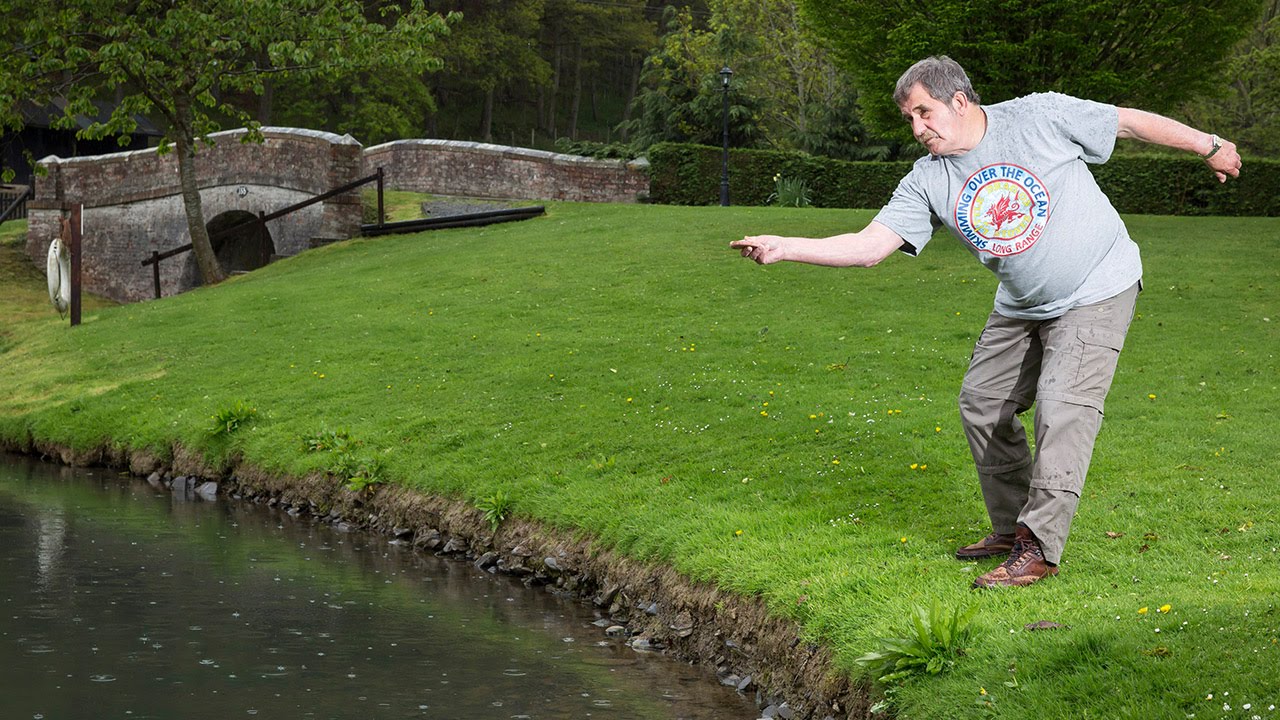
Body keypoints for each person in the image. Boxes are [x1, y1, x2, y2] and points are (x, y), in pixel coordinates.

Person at [729, 55, 1242, 588]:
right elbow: (868, 247)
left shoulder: (1037, 117)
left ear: (959, 101)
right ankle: (1011, 528)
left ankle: (1038, 547)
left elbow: (1127, 122)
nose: (917, 129)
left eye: (924, 112)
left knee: (1062, 409)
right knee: (982, 405)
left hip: (1097, 286)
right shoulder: (928, 179)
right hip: (1021, 304)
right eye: (909, 119)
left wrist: (1208, 145)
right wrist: (785, 246)